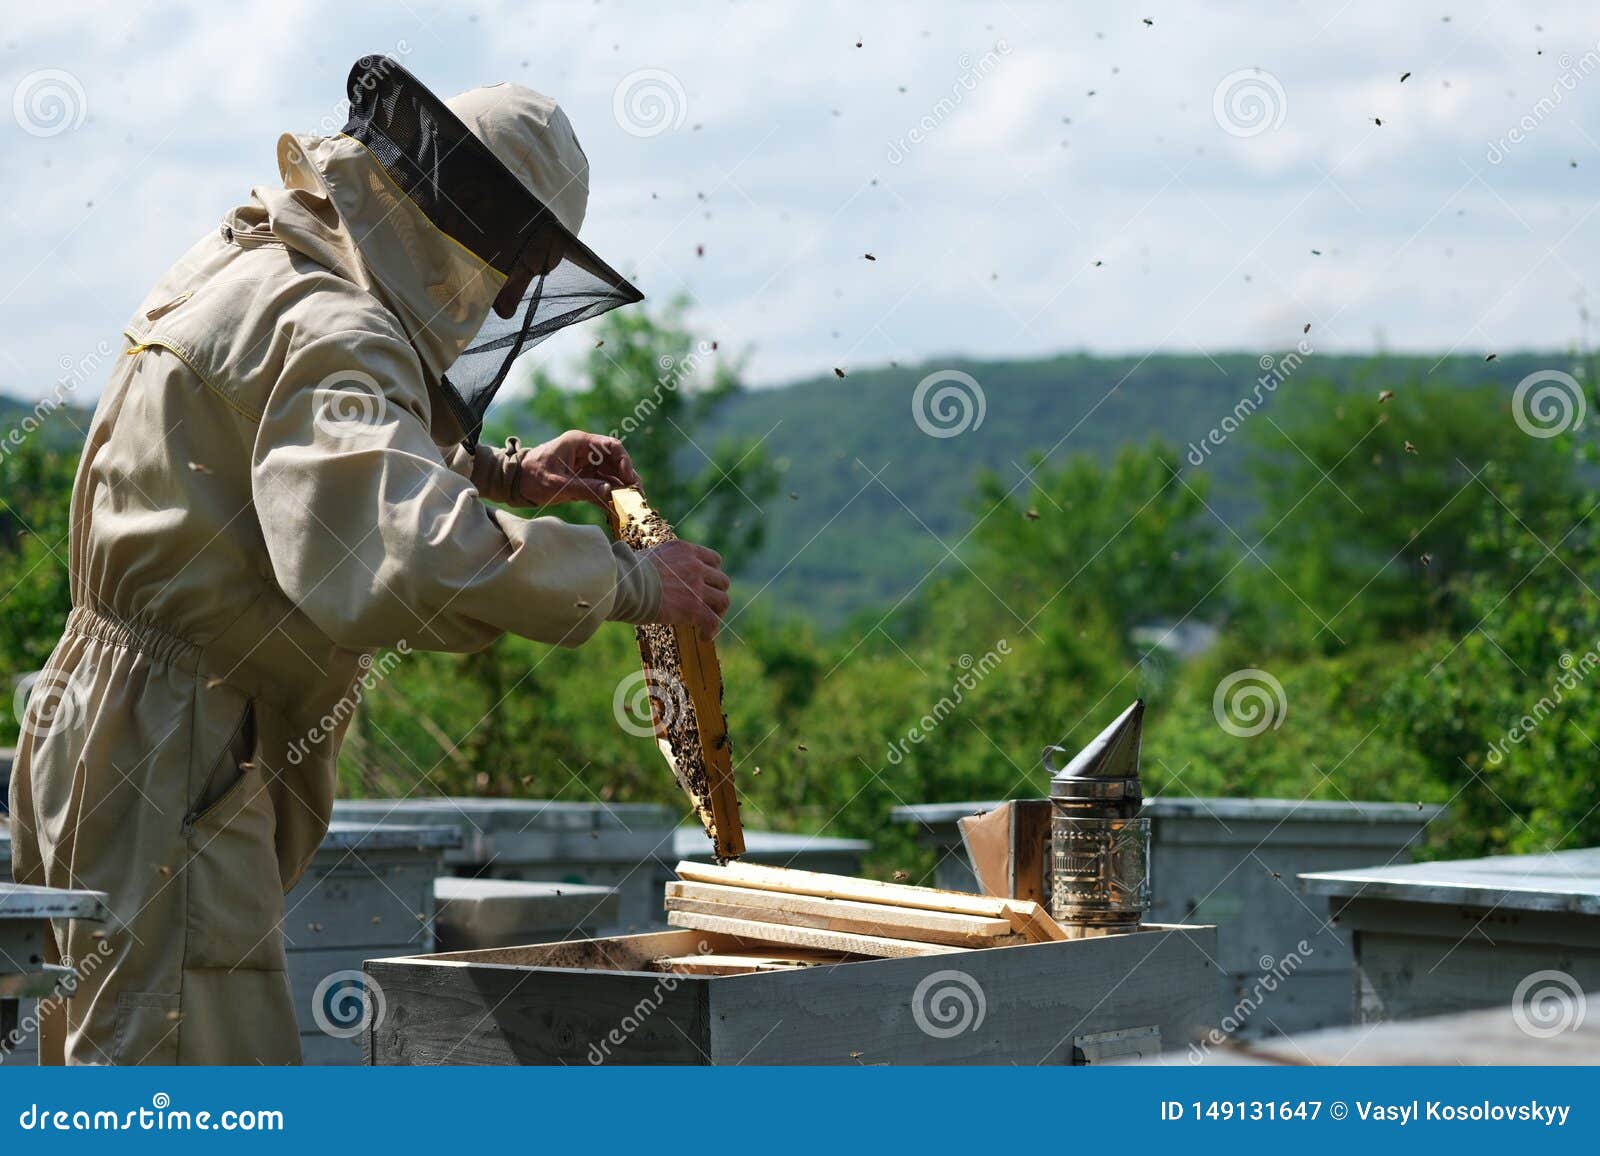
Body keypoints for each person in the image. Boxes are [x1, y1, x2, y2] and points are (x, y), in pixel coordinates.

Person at [6, 56, 729, 1065]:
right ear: (479, 230)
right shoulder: (339, 327)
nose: (514, 298)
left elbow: (290, 455)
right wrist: (633, 582)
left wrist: (500, 472)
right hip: (173, 740)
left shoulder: (268, 256)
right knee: (181, 1090)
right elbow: (409, 559)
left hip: (107, 715)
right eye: (519, 266)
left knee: (91, 1063)